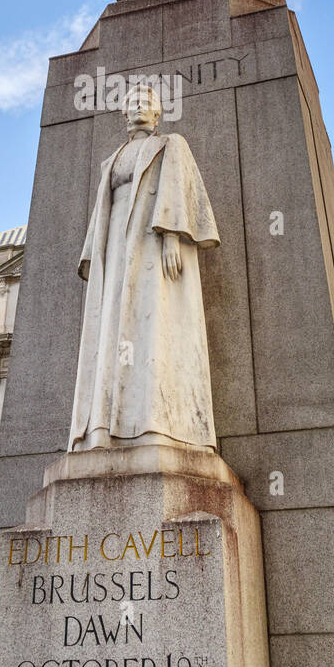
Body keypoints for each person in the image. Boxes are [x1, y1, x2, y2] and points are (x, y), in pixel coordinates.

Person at [69, 82, 220, 452]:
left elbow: (179, 191)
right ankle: (102, 429)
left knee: (152, 327)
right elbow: (102, 214)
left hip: (151, 242)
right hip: (116, 250)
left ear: (158, 114)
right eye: (132, 101)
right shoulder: (111, 161)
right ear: (124, 115)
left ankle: (155, 423)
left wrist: (171, 235)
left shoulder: (172, 145)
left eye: (147, 101)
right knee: (111, 331)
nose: (139, 105)